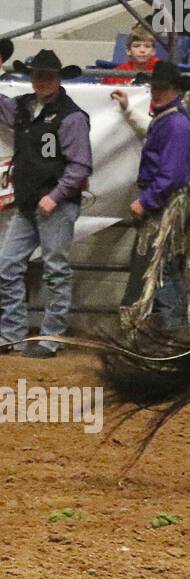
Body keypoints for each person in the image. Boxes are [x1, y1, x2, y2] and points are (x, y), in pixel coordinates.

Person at [0, 47, 91, 358]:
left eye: (47, 76)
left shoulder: (72, 116)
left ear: (57, 79)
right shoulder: (24, 107)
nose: (42, 80)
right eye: (37, 75)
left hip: (55, 204)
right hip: (29, 203)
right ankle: (12, 332)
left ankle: (51, 337)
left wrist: (55, 196)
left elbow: (79, 165)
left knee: (54, 269)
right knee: (7, 265)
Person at [114, 60, 190, 342]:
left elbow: (170, 174)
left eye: (162, 88)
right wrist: (129, 110)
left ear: (175, 89)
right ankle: (172, 336)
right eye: (155, 87)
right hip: (167, 201)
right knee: (165, 268)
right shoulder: (172, 119)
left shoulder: (175, 123)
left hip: (165, 202)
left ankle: (174, 337)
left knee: (162, 270)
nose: (157, 92)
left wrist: (146, 200)